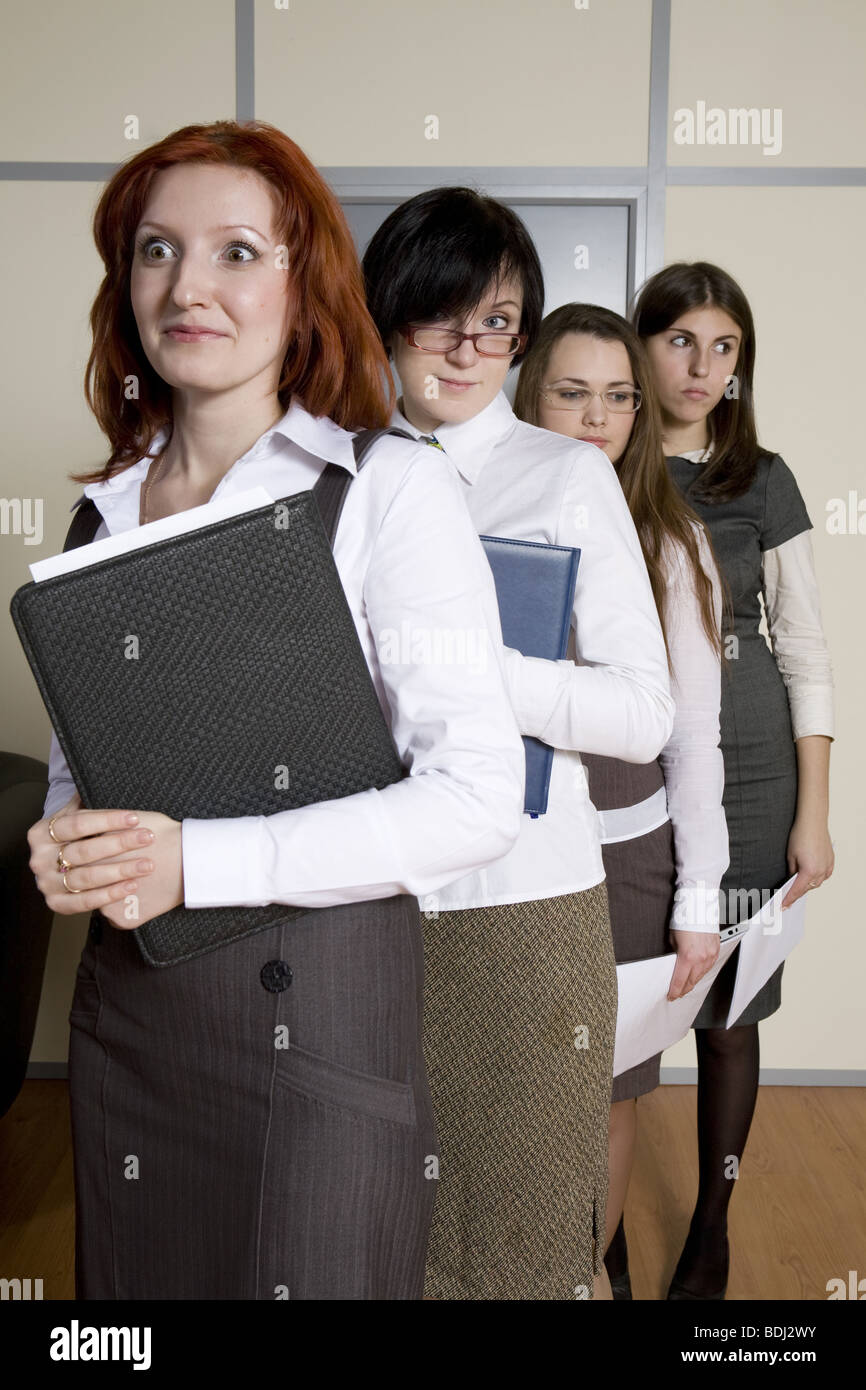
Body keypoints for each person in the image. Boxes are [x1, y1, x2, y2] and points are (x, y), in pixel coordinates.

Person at [26, 121, 528, 1301]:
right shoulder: (101, 517)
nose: (187, 286)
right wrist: (68, 840)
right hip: (138, 1020)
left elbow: (475, 799)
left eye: (237, 251)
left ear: (306, 286)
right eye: (155, 249)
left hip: (320, 1024)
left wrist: (193, 860)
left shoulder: (385, 488)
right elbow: (82, 765)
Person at [362, 188, 675, 1300]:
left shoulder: (563, 473)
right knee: (380, 1237)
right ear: (382, 316)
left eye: (493, 322)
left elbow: (643, 712)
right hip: (363, 903)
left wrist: (463, 671)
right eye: (432, 315)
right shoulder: (336, 478)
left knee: (522, 1252)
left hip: (523, 912)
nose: (462, 348)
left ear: (520, 332)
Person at [513, 302, 729, 1300]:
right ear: (527, 392)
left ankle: (584, 1279)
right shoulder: (463, 514)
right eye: (571, 393)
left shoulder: (672, 543)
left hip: (624, 864)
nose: (596, 419)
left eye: (616, 398)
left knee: (603, 1098)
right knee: (500, 1091)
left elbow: (691, 742)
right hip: (496, 862)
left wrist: (698, 901)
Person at [633, 260, 835, 1299]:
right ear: (641, 343)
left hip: (754, 765)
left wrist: (815, 810)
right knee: (620, 1005)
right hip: (629, 765)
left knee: (730, 1012)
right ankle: (600, 1228)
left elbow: (803, 650)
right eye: (680, 341)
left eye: (723, 347)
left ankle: (711, 1224)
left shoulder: (763, 477)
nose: (702, 366)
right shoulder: (599, 464)